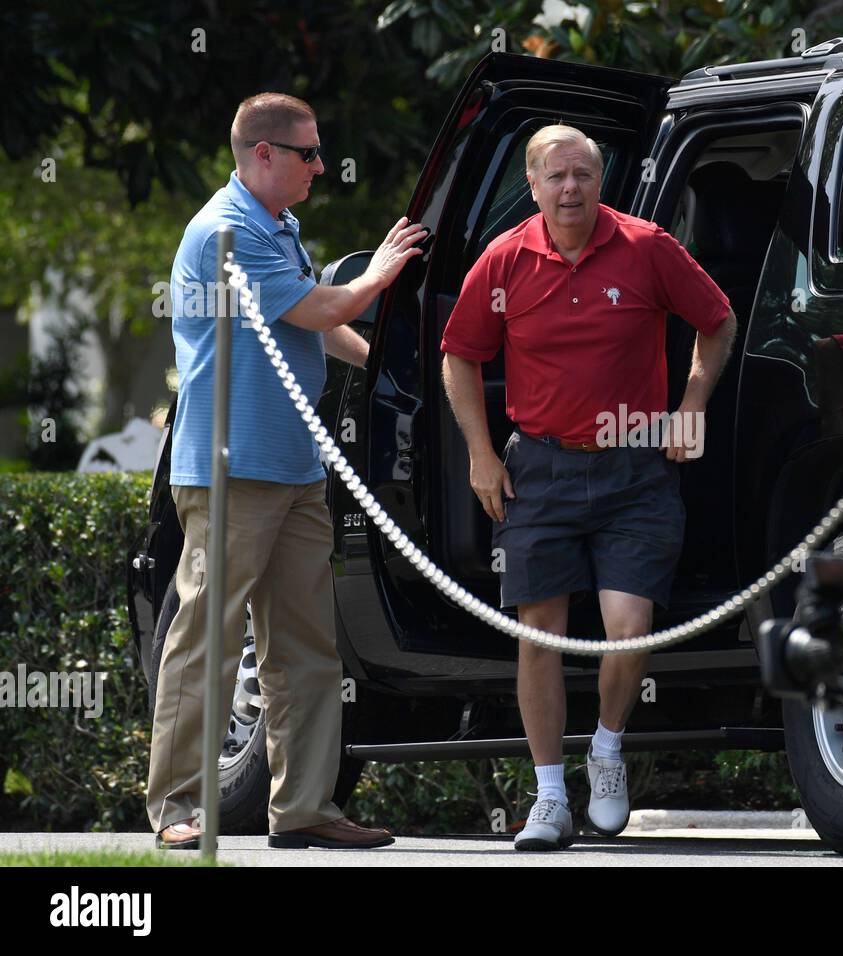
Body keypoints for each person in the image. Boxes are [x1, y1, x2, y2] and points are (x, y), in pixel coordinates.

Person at [441, 124, 737, 851]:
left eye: (582, 175)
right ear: (534, 184)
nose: (570, 188)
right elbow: (459, 355)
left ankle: (606, 752)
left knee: (629, 627)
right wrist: (480, 453)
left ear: (600, 180)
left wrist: (690, 409)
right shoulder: (505, 258)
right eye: (555, 176)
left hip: (636, 465)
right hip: (539, 467)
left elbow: (718, 320)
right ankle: (547, 796)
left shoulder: (646, 247)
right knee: (537, 635)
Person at [148, 92, 427, 850]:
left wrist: (387, 374)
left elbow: (316, 324)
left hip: (295, 466)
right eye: (307, 153)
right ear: (261, 154)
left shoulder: (278, 226)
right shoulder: (227, 232)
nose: (319, 165)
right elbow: (319, 308)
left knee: (305, 645)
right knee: (205, 632)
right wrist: (386, 271)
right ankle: (176, 807)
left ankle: (304, 808)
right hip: (232, 468)